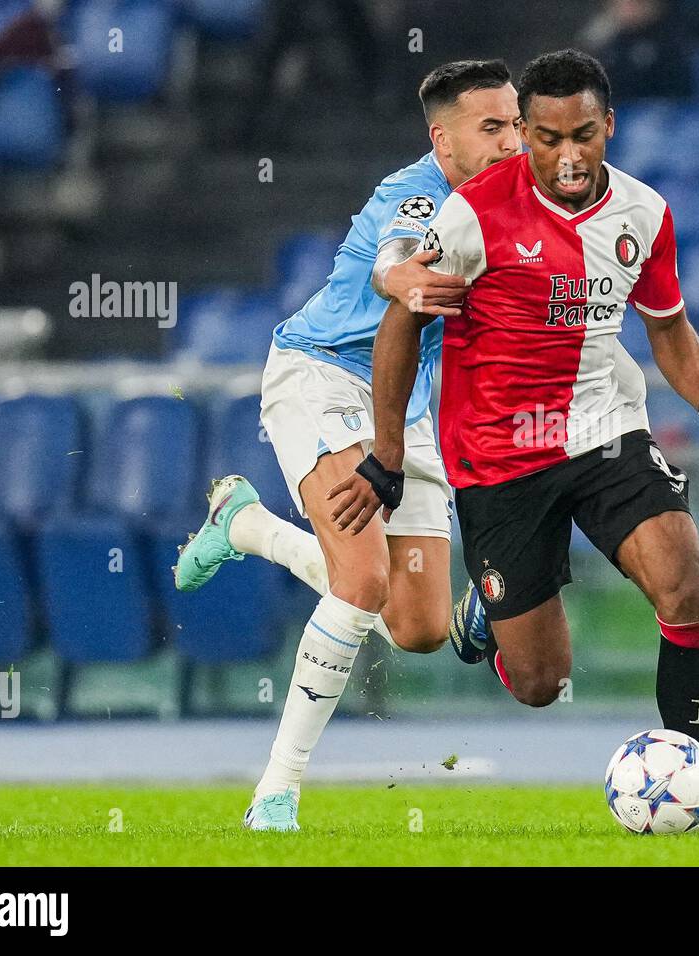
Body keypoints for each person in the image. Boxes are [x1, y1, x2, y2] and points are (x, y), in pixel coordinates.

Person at [329, 49, 699, 831]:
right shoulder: (471, 213)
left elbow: (669, 328)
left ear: (609, 127)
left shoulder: (644, 213)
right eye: (549, 138)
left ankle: (697, 795)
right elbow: (401, 319)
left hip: (607, 431)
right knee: (538, 682)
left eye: (586, 136)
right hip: (498, 458)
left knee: (686, 586)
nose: (569, 157)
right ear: (526, 133)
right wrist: (387, 456)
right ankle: (482, 622)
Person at [172, 60, 521, 831]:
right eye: (491, 127)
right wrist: (403, 282)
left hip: (407, 409)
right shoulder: (417, 194)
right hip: (323, 378)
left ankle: (246, 526)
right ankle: (277, 788)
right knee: (361, 581)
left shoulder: (513, 205)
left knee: (419, 629)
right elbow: (400, 258)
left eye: (516, 123)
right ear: (445, 136)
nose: (511, 140)